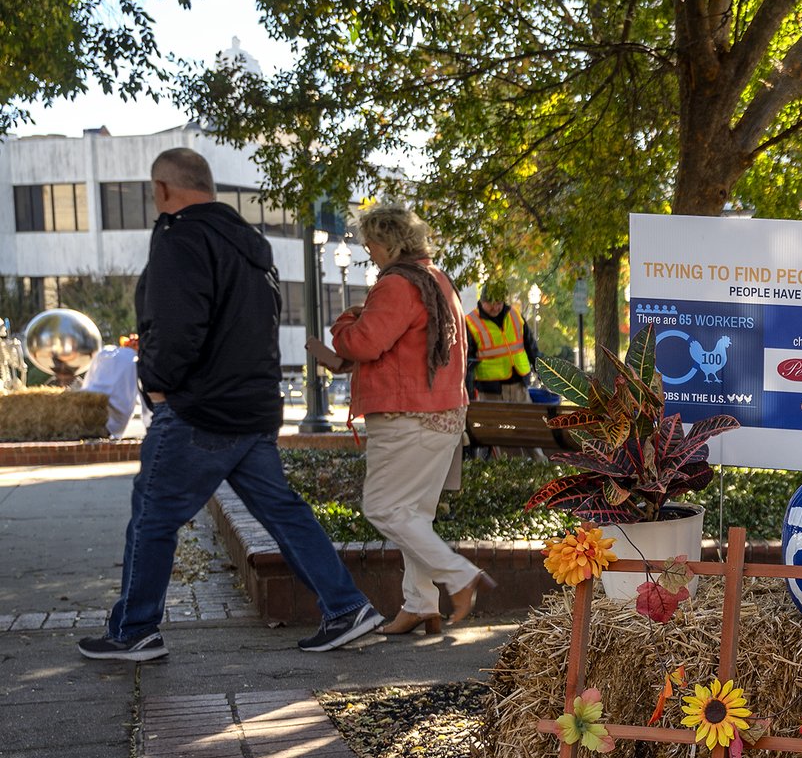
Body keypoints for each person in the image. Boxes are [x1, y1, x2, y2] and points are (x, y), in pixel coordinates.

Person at [80, 148, 382, 661]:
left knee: (153, 517)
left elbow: (176, 324)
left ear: (163, 190)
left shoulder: (182, 238)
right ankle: (346, 606)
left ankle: (133, 630)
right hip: (250, 406)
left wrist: (155, 381)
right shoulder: (250, 246)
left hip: (199, 410)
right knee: (283, 512)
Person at [310, 205, 496, 634]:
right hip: (445, 413)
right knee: (413, 513)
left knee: (382, 507)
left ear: (390, 241)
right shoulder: (438, 280)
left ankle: (460, 576)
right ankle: (421, 604)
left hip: (406, 417)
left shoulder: (396, 284)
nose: (367, 249)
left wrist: (346, 321)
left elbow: (363, 344)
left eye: (371, 241)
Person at [461, 283, 537, 402]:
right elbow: (466, 360)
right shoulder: (470, 322)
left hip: (519, 386)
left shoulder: (515, 315)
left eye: (499, 303)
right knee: (493, 421)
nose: (495, 307)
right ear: (482, 301)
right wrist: (469, 391)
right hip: (490, 391)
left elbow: (531, 348)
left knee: (525, 420)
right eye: (491, 303)